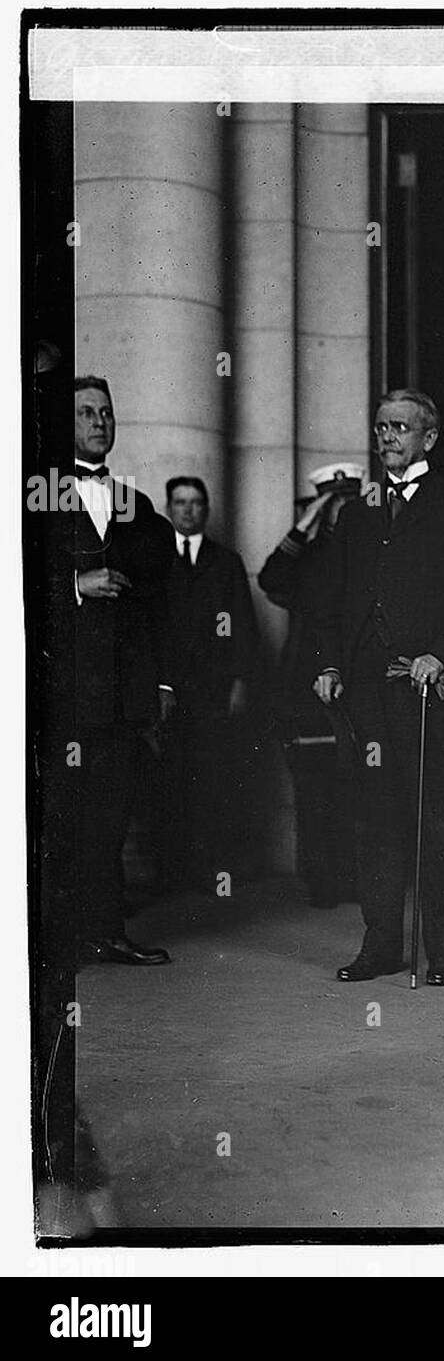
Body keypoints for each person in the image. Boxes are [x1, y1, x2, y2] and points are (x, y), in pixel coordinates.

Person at [313, 389, 444, 987]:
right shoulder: (359, 510)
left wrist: (441, 654)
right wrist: (331, 664)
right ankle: (381, 945)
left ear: (430, 438)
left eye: (400, 427)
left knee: (436, 821)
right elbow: (337, 598)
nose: (387, 436)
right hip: (367, 690)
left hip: (429, 689)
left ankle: (441, 950)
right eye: (380, 427)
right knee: (375, 819)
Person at [43, 377, 175, 965]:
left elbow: (162, 602)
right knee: (58, 815)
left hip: (121, 695)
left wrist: (163, 683)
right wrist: (75, 584)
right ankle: (52, 944)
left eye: (106, 412)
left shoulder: (138, 506)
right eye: (85, 413)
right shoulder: (36, 493)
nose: (99, 422)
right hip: (61, 692)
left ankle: (107, 931)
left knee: (110, 816)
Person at [258, 462, 365, 909]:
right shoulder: (310, 553)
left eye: (348, 501)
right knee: (314, 785)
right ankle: (322, 879)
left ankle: (357, 876)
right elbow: (271, 579)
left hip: (360, 679)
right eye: (332, 501)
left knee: (358, 784)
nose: (341, 510)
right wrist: (306, 522)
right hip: (307, 682)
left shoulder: (373, 548)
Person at [158, 476, 259, 891]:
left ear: (207, 509)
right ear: (169, 508)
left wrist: (239, 681)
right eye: (180, 503)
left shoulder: (226, 562)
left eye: (196, 503)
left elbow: (244, 629)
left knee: (215, 783)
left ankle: (214, 874)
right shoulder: (156, 559)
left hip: (214, 691)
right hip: (169, 692)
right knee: (169, 784)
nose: (188, 510)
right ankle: (171, 876)